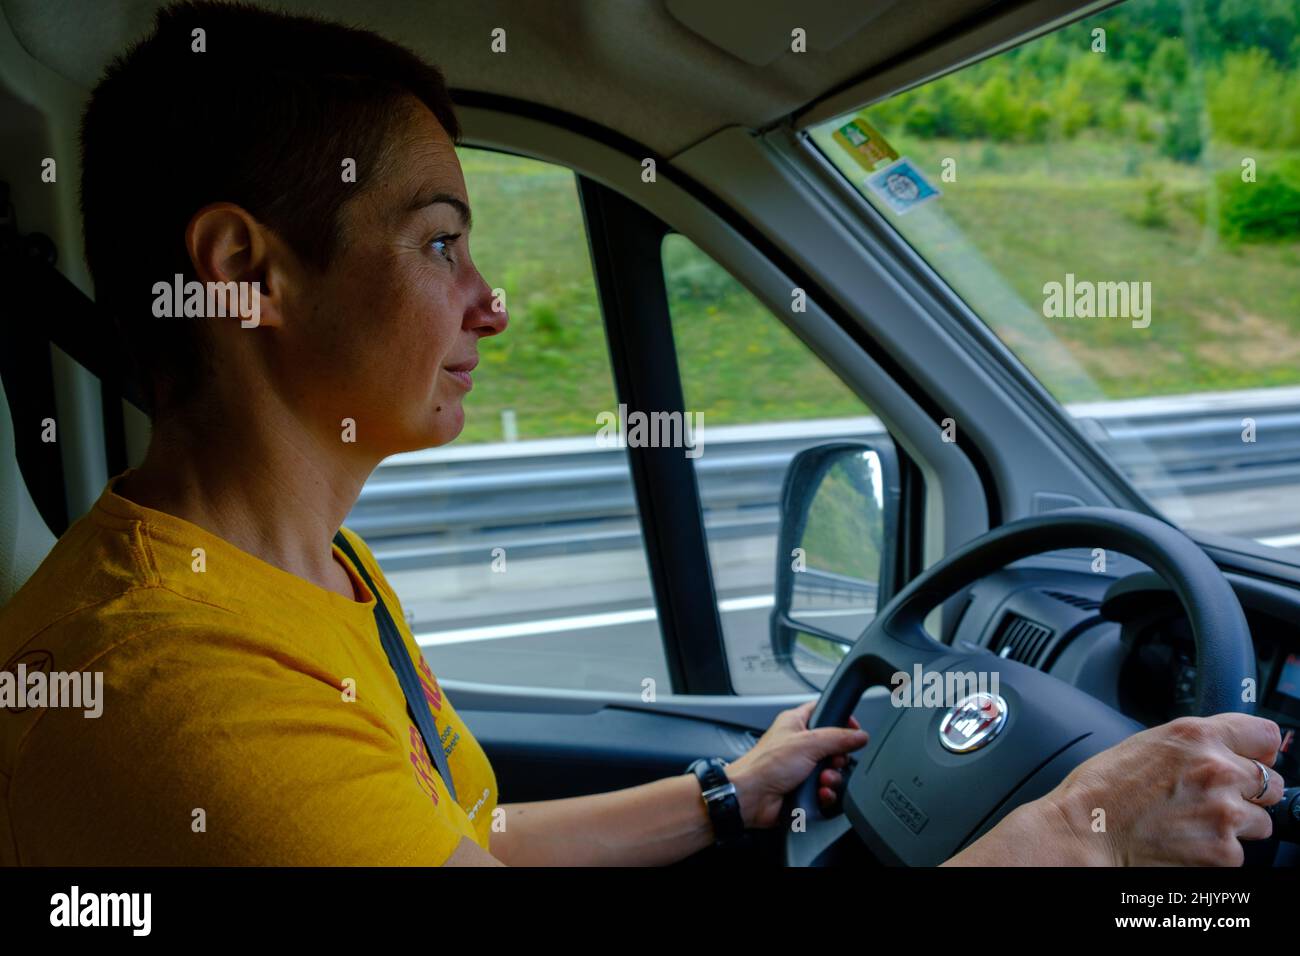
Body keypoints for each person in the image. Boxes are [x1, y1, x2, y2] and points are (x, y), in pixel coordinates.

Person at [0, 1, 1284, 867]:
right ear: (245, 269)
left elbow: (464, 841)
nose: (489, 302)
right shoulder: (186, 700)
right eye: (439, 242)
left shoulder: (303, 569)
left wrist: (730, 786)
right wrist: (1074, 830)